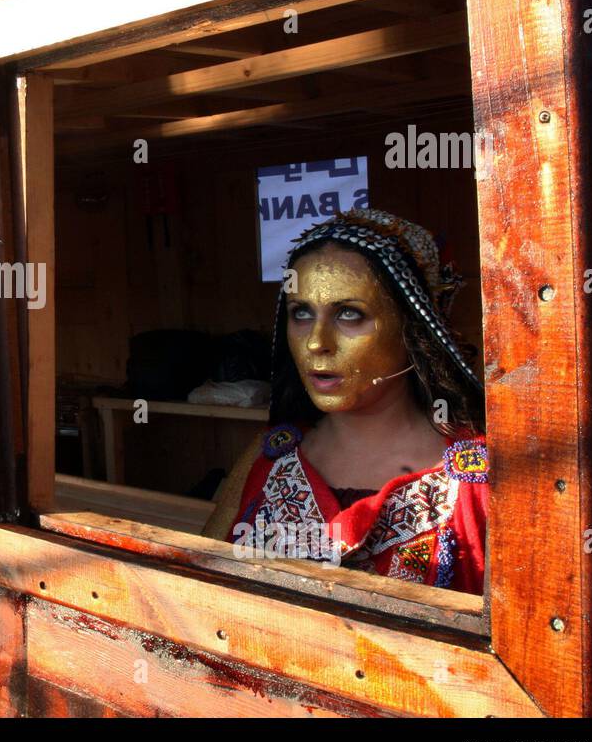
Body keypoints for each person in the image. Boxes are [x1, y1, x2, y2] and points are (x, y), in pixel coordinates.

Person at [202, 208, 489, 594]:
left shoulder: (478, 480)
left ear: (413, 327)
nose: (317, 342)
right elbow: (201, 593)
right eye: (301, 312)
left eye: (350, 314)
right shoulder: (268, 459)